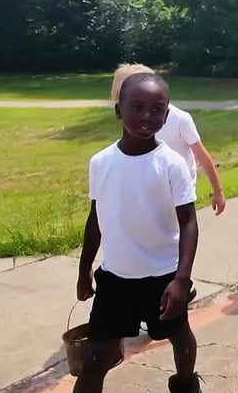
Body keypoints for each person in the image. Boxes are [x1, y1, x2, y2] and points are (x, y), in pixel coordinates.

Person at [75, 72, 201, 393]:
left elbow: (188, 222)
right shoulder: (101, 162)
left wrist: (181, 280)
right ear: (119, 110)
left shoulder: (171, 164)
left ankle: (186, 383)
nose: (147, 116)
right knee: (96, 358)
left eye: (157, 109)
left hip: (163, 279)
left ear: (167, 113)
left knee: (178, 335)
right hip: (115, 280)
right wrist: (84, 268)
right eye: (137, 107)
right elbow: (96, 218)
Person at [111, 64, 226, 215]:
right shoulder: (131, 127)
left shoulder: (180, 119)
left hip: (178, 190)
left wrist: (218, 190)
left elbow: (202, 156)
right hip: (150, 188)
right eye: (134, 105)